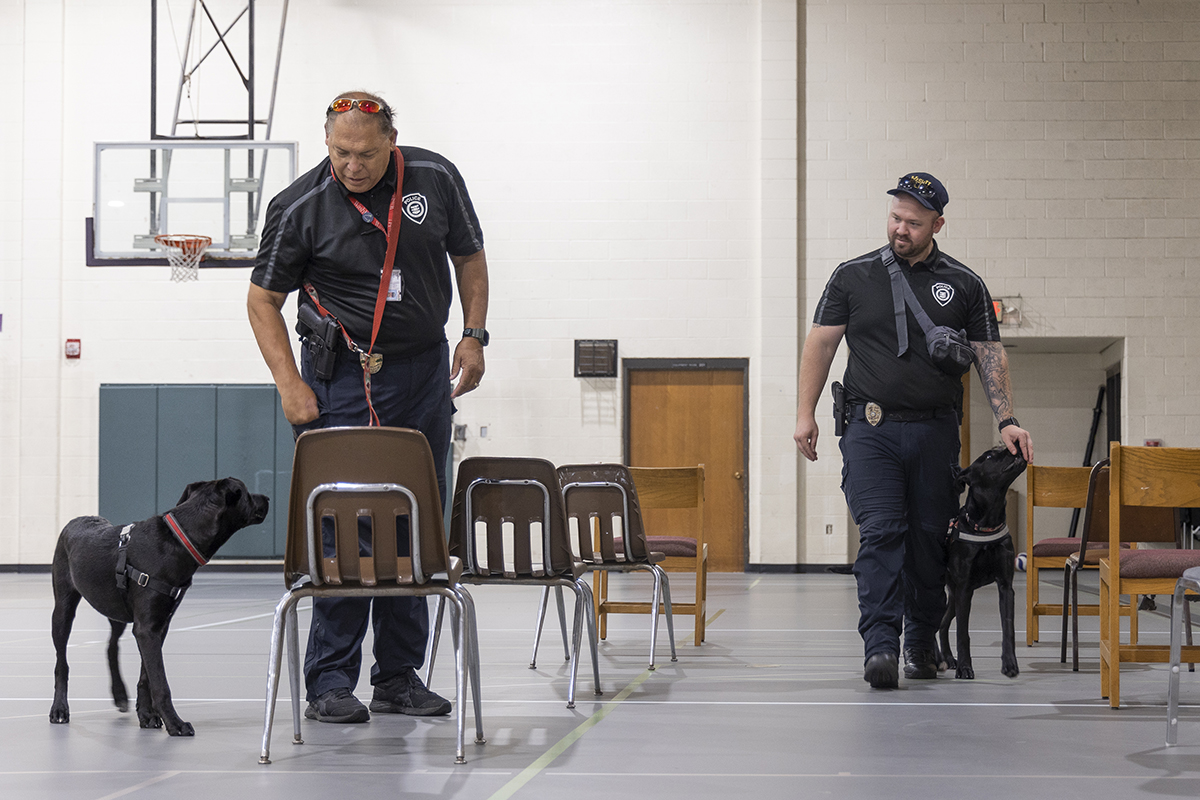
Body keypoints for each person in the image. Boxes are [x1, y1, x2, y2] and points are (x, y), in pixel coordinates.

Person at [247, 90, 489, 722]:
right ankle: (330, 680)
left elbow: (469, 257)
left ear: (391, 142)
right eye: (340, 153)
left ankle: (399, 677)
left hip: (424, 372)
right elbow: (262, 301)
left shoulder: (434, 177)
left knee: (413, 516)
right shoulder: (298, 205)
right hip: (342, 378)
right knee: (347, 521)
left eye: (365, 153)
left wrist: (474, 334)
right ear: (326, 143)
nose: (352, 166)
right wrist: (289, 384)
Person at [793, 172, 1033, 689]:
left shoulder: (965, 283)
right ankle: (880, 645)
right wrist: (804, 413)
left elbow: (990, 354)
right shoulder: (852, 276)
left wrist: (1007, 419)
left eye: (914, 223)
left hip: (934, 433)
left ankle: (920, 643)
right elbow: (821, 343)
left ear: (937, 225)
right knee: (881, 532)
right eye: (896, 218)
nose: (901, 229)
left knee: (928, 541)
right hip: (870, 429)